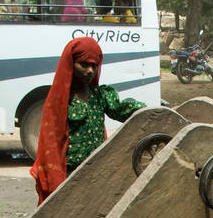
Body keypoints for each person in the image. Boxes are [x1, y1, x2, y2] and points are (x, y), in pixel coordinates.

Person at [30, 37, 146, 204]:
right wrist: (55, 182)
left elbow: (122, 110)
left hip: (96, 172)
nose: (90, 70)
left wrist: (154, 110)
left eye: (94, 65)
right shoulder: (61, 100)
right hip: (70, 177)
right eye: (84, 65)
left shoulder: (100, 95)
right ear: (71, 64)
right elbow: (51, 144)